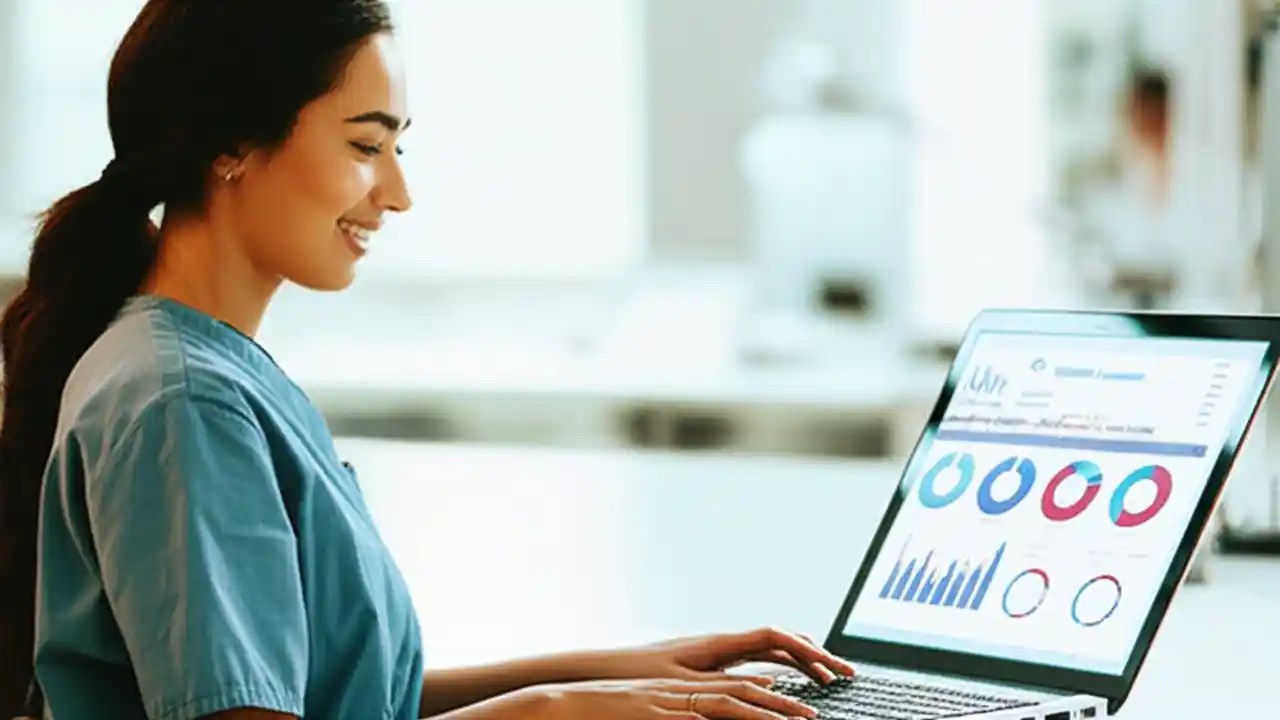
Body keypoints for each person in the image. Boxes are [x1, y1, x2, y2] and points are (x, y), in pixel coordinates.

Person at [0, 1, 853, 718]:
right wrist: (558, 711)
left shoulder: (203, 373)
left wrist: (608, 675)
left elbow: (358, 699)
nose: (397, 193)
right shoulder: (181, 400)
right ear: (230, 145)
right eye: (365, 147)